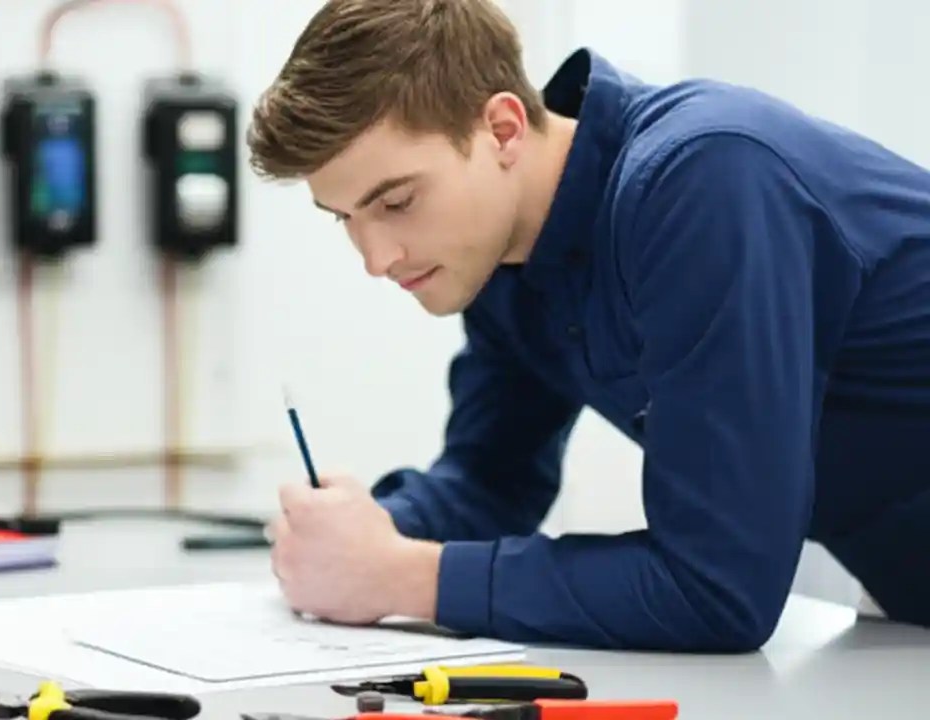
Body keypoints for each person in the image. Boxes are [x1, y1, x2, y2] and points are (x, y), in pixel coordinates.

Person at [250, 0, 930, 653]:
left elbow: (717, 588)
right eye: (344, 218)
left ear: (504, 130)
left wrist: (398, 575)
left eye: (396, 201)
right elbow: (492, 485)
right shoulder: (502, 263)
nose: (376, 259)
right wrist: (352, 538)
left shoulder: (704, 182)